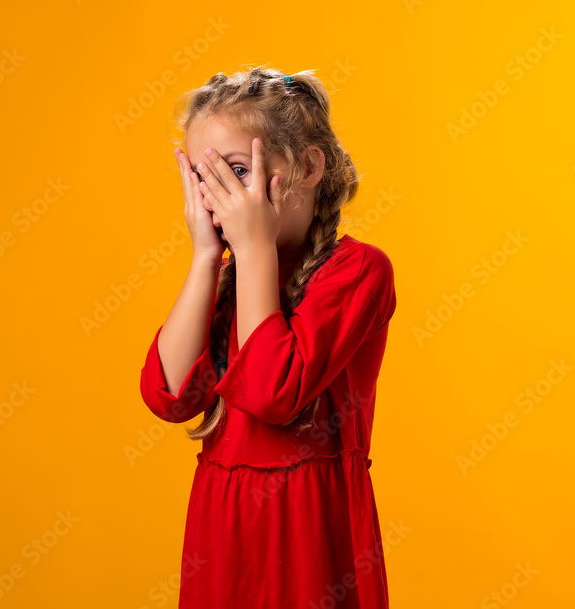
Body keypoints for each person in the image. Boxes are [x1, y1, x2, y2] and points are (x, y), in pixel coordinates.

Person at [139, 65, 397, 608]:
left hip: (312, 537)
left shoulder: (358, 272)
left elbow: (272, 391)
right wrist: (208, 255)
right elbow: (169, 396)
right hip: (223, 532)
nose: (221, 196)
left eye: (238, 171)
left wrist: (252, 248)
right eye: (206, 179)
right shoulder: (226, 278)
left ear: (306, 166)